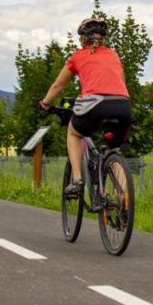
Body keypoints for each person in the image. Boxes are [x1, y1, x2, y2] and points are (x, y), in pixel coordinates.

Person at [39, 17, 132, 196]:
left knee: (74, 133)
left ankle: (77, 180)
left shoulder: (78, 56)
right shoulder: (113, 55)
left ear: (83, 38)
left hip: (95, 104)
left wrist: (45, 103)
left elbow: (58, 85)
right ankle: (124, 199)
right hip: (123, 105)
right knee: (112, 149)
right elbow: (122, 81)